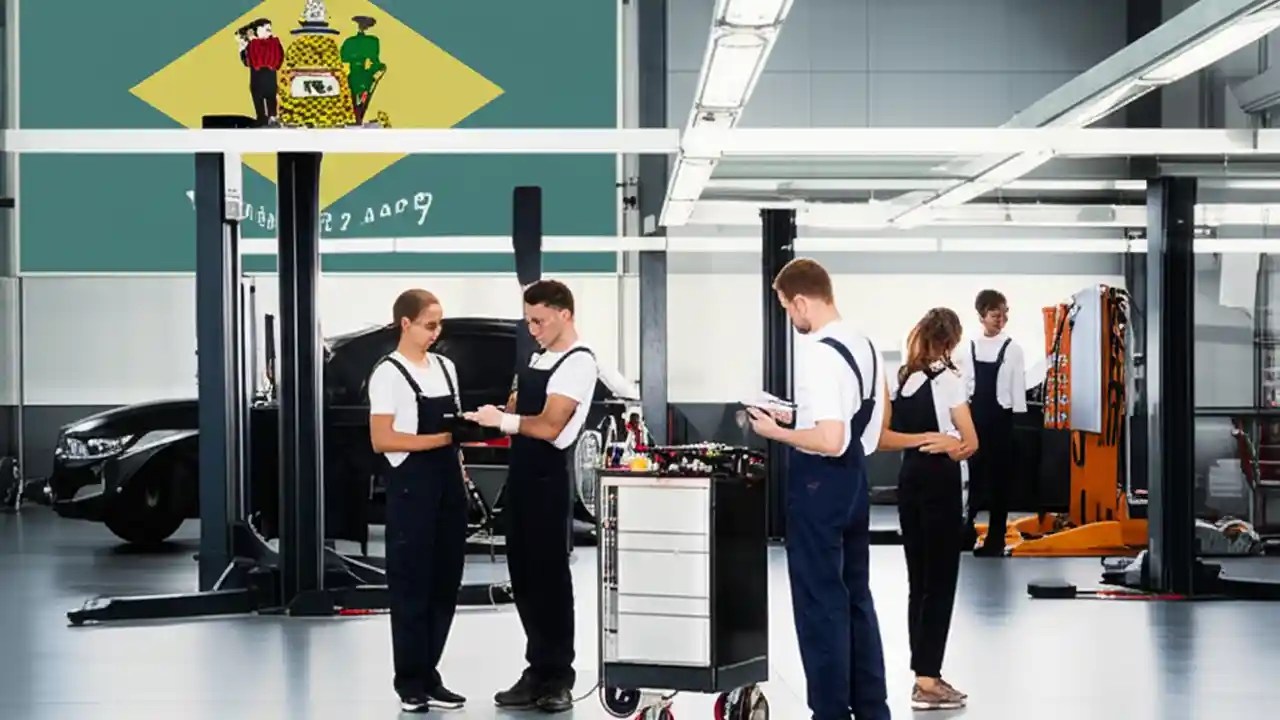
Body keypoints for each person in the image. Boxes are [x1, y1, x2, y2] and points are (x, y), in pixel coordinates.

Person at [744, 258, 891, 720]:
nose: (792, 318)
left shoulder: (819, 352)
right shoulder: (865, 344)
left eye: (789, 308)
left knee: (819, 605)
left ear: (802, 300)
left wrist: (777, 432)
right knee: (856, 600)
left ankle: (828, 712)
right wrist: (797, 416)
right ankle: (872, 709)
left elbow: (830, 439)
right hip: (854, 483)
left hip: (818, 483)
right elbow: (863, 428)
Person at [465, 279, 600, 714]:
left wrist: (502, 420)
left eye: (539, 320)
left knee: (550, 580)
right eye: (528, 321)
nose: (534, 329)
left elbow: (550, 426)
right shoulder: (539, 357)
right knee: (523, 576)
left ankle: (559, 675)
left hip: (546, 479)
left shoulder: (579, 363)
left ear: (565, 314)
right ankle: (536, 670)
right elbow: (520, 404)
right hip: (521, 475)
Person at [367, 289, 469, 713]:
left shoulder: (445, 367)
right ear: (405, 323)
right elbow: (382, 439)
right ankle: (408, 680)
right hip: (411, 487)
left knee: (445, 583)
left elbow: (457, 426)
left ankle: (430, 674)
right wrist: (442, 439)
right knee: (411, 586)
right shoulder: (388, 374)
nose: (436, 332)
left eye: (439, 324)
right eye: (429, 325)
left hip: (448, 484)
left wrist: (460, 462)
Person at [879, 308, 979, 711]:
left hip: (910, 481)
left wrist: (922, 439)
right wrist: (948, 443)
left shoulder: (902, 380)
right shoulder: (950, 381)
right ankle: (927, 682)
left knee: (918, 582)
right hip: (939, 483)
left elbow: (885, 437)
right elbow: (970, 442)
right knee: (940, 584)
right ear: (951, 341)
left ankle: (924, 672)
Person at [954, 289, 1027, 556]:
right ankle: (966, 531)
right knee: (972, 479)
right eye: (996, 315)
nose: (1002, 320)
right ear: (982, 316)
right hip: (974, 420)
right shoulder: (968, 348)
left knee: (999, 482)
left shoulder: (1013, 349)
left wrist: (1016, 421)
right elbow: (962, 387)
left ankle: (996, 538)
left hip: (1001, 421)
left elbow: (1017, 389)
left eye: (1005, 314)